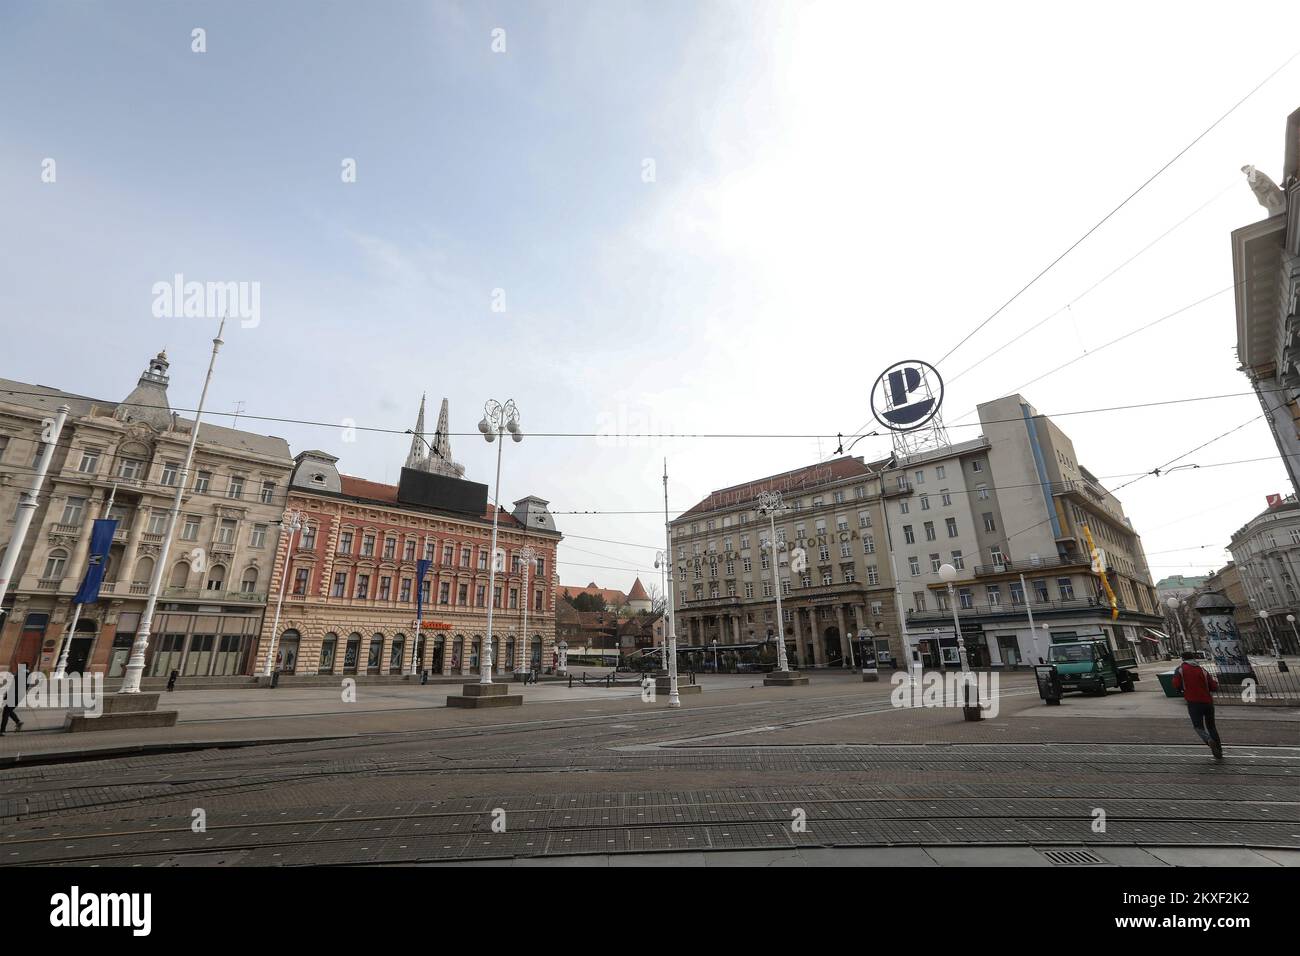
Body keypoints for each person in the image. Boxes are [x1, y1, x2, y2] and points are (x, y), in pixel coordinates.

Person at [1171, 651, 1223, 759]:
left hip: (1193, 702)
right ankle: (1219, 751)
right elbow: (1213, 686)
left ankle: (1208, 740)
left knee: (1198, 726)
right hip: (1208, 702)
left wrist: (1180, 689)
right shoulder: (1202, 669)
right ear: (1193, 658)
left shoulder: (1180, 669)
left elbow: (1176, 684)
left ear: (1183, 659)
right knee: (1212, 726)